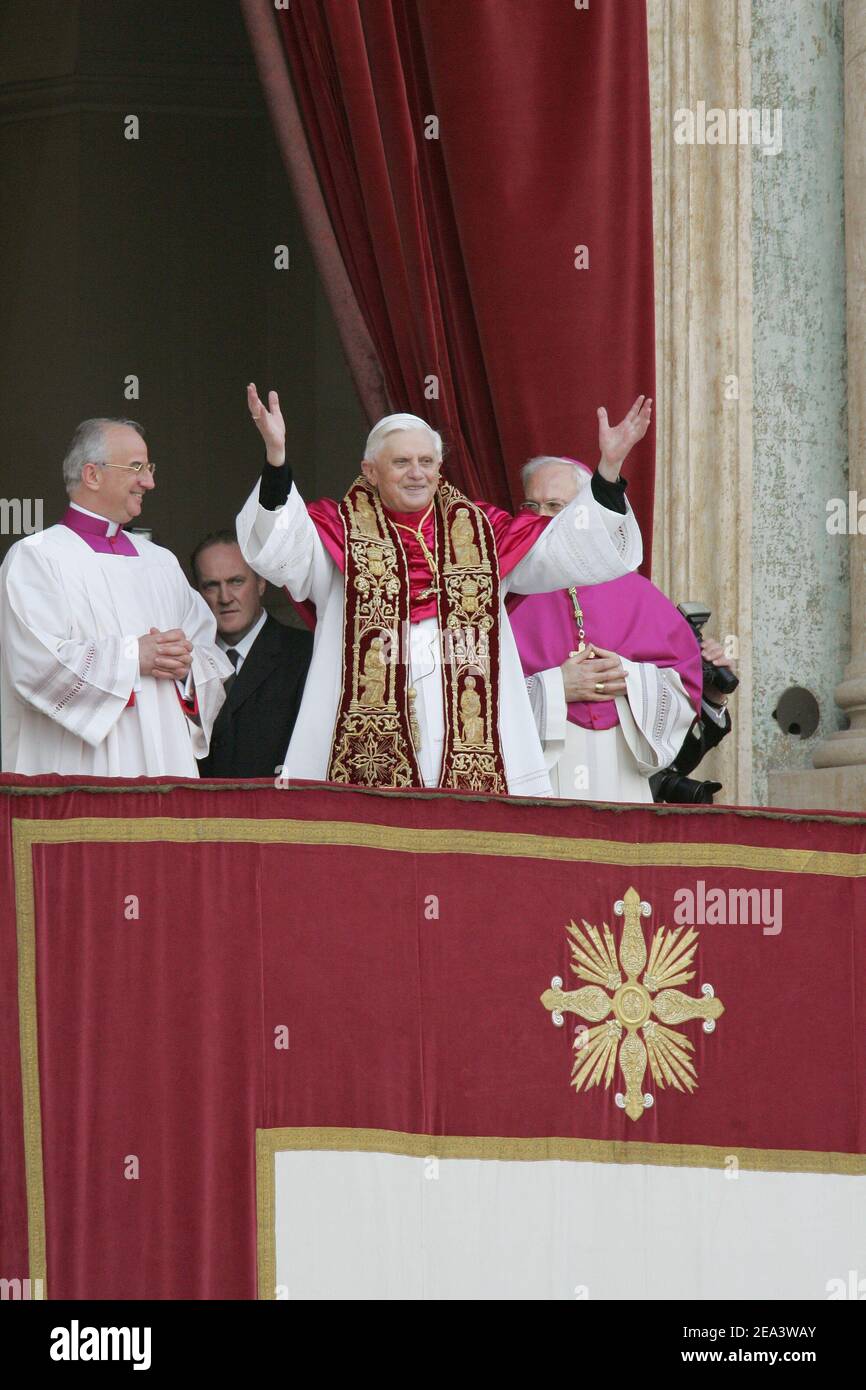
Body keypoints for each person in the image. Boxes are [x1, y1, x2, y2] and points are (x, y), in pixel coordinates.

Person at [236, 385, 650, 795]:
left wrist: (609, 470)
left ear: (439, 468)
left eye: (426, 461)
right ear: (369, 470)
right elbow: (278, 547)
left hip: (473, 739)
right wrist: (277, 460)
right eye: (401, 462)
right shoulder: (335, 530)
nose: (417, 473)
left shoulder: (485, 533)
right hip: (362, 744)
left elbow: (564, 547)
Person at [0, 418, 230, 775]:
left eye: (149, 468)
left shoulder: (161, 562)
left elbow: (204, 648)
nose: (149, 482)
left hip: (164, 762)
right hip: (80, 768)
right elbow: (34, 667)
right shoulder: (37, 557)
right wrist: (133, 656)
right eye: (136, 468)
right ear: (92, 475)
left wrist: (185, 666)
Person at [509, 455, 704, 802]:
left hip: (620, 766)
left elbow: (685, 686)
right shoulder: (503, 594)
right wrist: (554, 687)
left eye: (555, 506)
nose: (541, 518)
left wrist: (627, 677)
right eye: (531, 505)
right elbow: (472, 696)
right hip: (534, 772)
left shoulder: (636, 592)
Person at [191, 530, 312, 778]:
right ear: (198, 594)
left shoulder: (306, 655)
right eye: (211, 586)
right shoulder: (187, 660)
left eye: (236, 581)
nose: (225, 598)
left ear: (261, 583)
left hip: (277, 811)